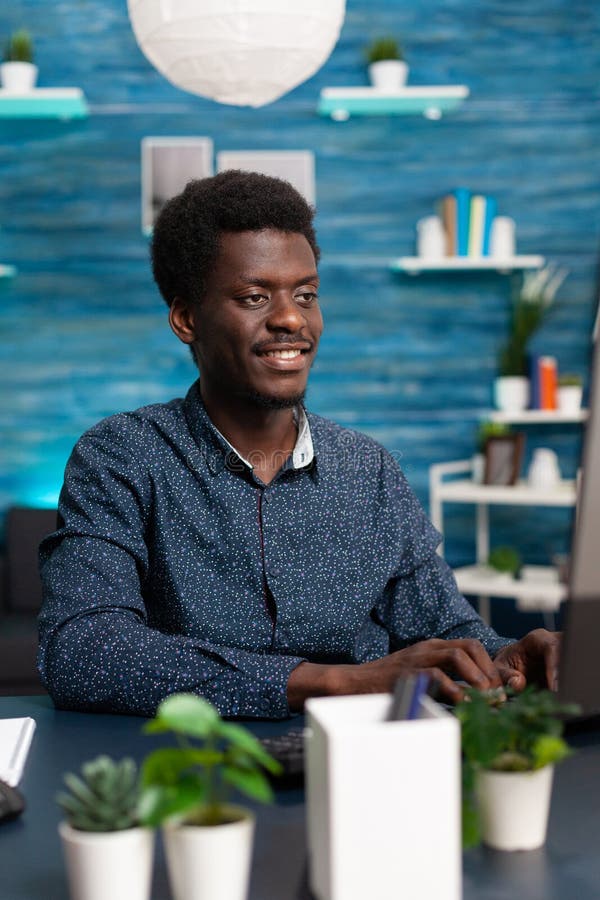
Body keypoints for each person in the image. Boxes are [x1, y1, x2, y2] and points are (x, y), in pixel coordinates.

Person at [38, 171, 559, 718]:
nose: (290, 318)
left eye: (305, 295)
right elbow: (84, 651)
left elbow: (443, 627)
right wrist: (340, 681)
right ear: (186, 318)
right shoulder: (122, 458)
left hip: (372, 761)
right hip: (198, 771)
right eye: (254, 296)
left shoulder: (369, 469)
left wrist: (510, 657)